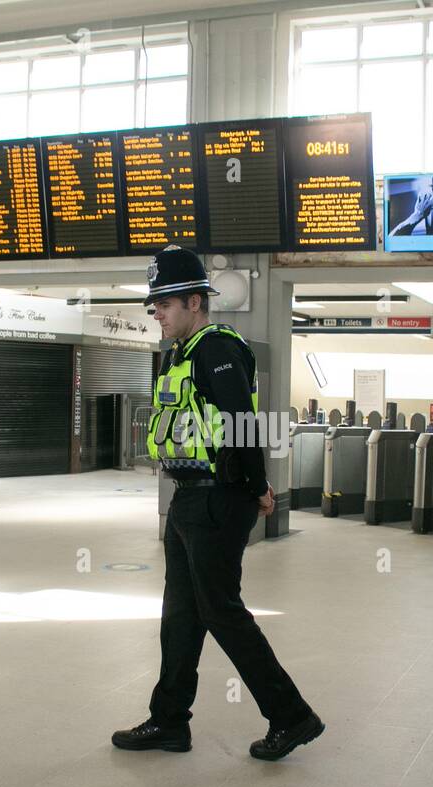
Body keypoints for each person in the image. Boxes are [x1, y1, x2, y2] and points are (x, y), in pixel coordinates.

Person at [112, 245, 323, 761]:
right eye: (153, 306)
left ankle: (292, 716)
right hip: (186, 500)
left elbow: (242, 424)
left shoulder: (217, 348)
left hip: (217, 501)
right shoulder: (178, 353)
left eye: (163, 304)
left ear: (193, 301)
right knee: (180, 615)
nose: (156, 313)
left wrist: (257, 489)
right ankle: (169, 721)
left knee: (222, 613)